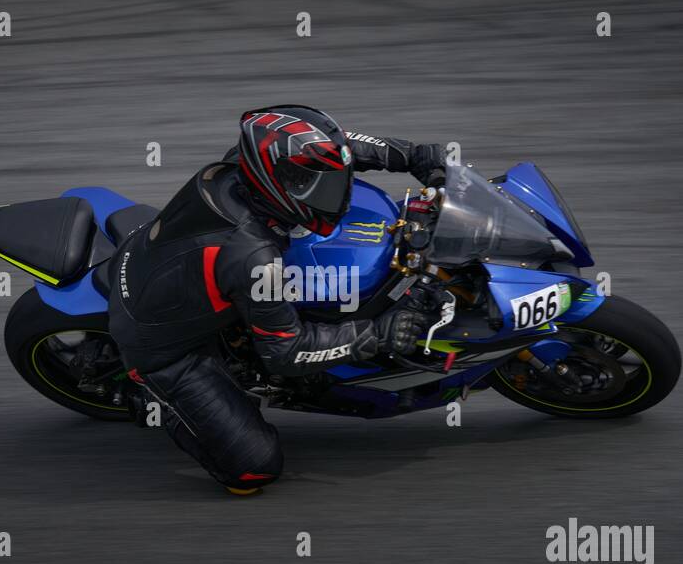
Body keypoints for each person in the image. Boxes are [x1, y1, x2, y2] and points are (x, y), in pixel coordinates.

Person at [107, 105, 446, 495]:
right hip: (159, 342)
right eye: (312, 182)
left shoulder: (247, 165)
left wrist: (410, 155)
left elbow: (342, 148)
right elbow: (286, 353)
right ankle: (151, 394)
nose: (333, 191)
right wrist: (378, 334)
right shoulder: (254, 258)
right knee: (254, 471)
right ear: (276, 181)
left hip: (167, 262)